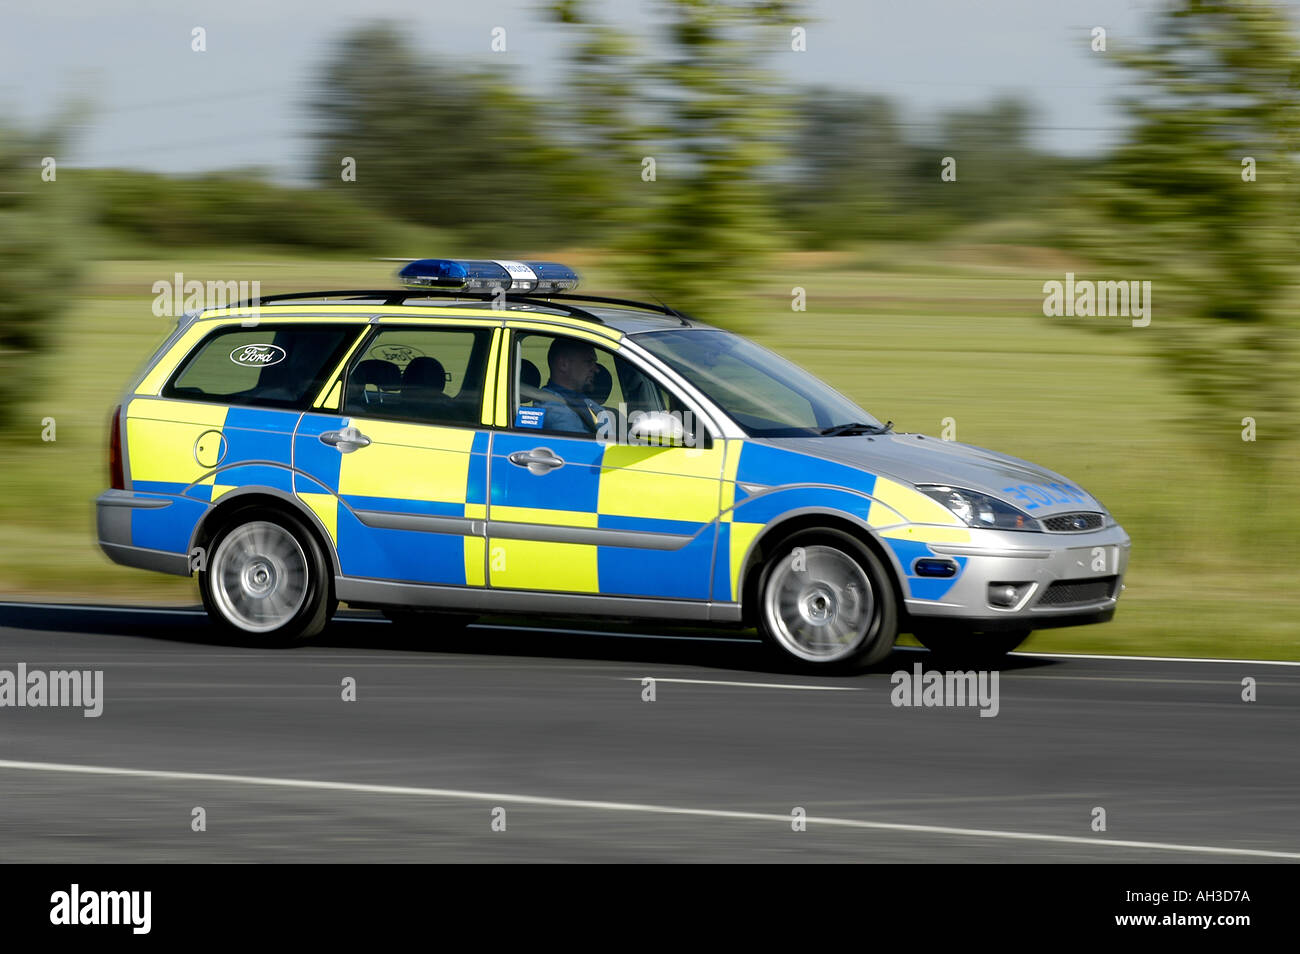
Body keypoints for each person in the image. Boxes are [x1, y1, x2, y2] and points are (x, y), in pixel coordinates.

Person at [536, 338, 606, 434]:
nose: (596, 369)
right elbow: (582, 446)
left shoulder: (581, 400)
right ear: (563, 364)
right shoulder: (555, 411)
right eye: (589, 362)